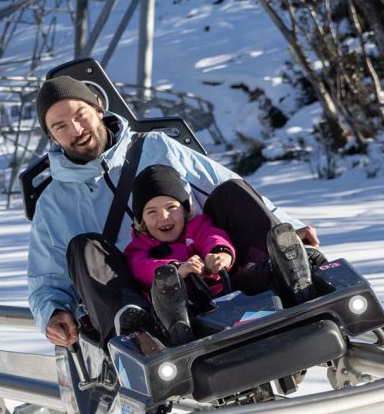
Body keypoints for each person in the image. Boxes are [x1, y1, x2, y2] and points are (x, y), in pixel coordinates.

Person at [26, 73, 321, 353]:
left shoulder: (155, 148)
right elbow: (45, 278)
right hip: (145, 300)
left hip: (213, 271)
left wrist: (289, 227)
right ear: (52, 136)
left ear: (98, 108)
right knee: (83, 247)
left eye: (80, 115)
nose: (76, 130)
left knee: (231, 190)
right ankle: (133, 328)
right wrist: (51, 312)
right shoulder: (53, 202)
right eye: (60, 126)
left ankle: (283, 268)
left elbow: (222, 186)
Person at [120, 162, 311, 343]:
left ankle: (294, 279)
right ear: (141, 221)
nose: (163, 217)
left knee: (260, 271)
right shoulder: (140, 246)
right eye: (152, 212)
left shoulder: (196, 225)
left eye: (171, 207)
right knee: (170, 300)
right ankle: (178, 330)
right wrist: (175, 271)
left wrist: (221, 255)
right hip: (186, 306)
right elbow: (140, 268)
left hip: (228, 291)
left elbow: (213, 236)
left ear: (185, 209)